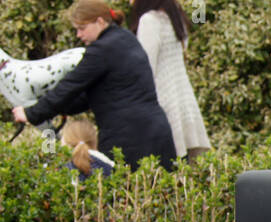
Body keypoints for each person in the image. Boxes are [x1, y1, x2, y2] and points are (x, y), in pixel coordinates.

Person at [12, 0, 175, 170]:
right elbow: (92, 94)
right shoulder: (126, 39)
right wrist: (60, 108)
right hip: (157, 132)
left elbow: (70, 85)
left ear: (100, 21)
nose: (78, 35)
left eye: (82, 29)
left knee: (120, 192)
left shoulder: (102, 50)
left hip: (128, 139)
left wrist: (31, 113)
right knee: (158, 193)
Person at [130, 0, 210, 160]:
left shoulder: (149, 21)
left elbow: (146, 68)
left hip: (163, 102)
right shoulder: (176, 17)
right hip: (183, 100)